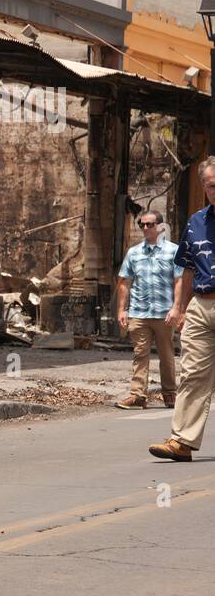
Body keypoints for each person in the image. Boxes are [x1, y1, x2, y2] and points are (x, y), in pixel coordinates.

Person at [150, 157, 215, 462]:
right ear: (204, 186)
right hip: (201, 306)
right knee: (192, 374)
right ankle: (182, 441)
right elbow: (187, 269)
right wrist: (179, 308)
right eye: (212, 185)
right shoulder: (196, 222)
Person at [115, 210, 181, 410]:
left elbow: (179, 281)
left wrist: (177, 308)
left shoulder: (173, 251)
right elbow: (125, 283)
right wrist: (121, 310)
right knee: (140, 355)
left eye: (150, 224)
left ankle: (169, 394)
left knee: (166, 356)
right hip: (139, 313)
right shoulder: (133, 253)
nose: (145, 228)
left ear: (160, 226)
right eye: (142, 224)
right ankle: (138, 396)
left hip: (164, 314)